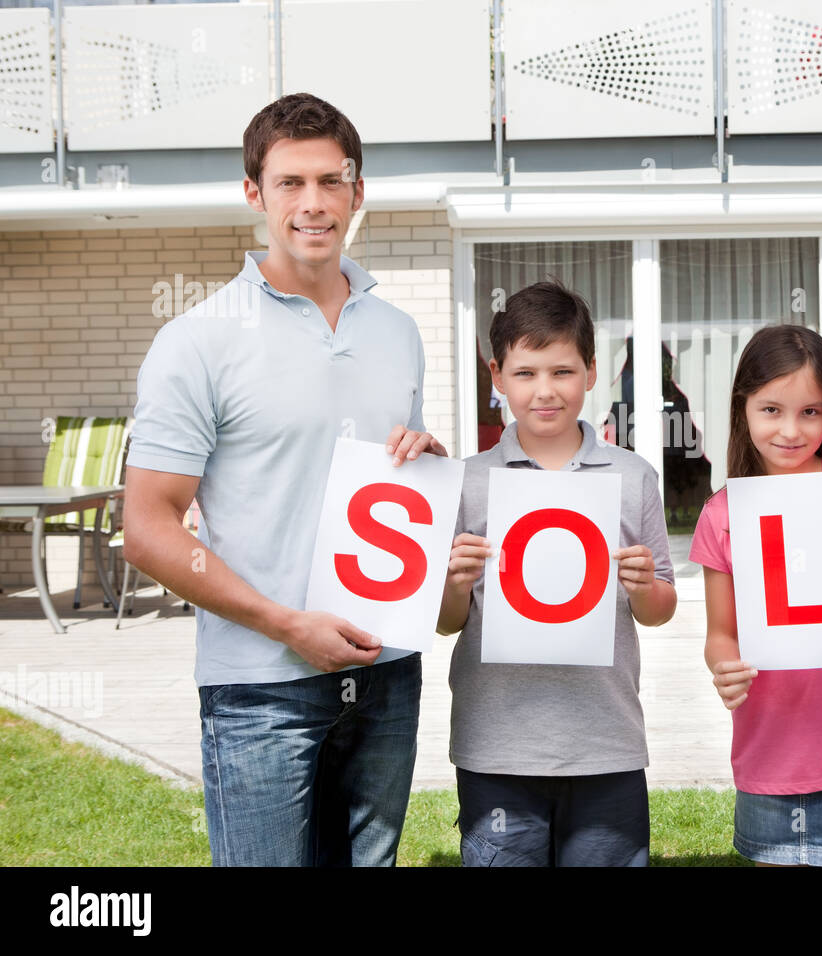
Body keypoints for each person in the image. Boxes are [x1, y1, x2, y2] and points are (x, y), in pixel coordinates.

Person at [123, 93, 445, 866]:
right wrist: (284, 623)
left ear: (358, 191)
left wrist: (425, 466)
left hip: (385, 672)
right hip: (260, 688)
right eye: (290, 183)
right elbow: (149, 527)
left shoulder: (397, 333)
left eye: (332, 182)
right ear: (253, 194)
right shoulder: (197, 340)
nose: (313, 203)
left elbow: (394, 493)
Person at [437, 279, 677, 867]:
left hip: (605, 742)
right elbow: (446, 624)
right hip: (497, 743)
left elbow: (661, 607)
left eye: (563, 372)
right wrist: (454, 582)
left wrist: (645, 587)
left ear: (592, 372)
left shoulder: (632, 476)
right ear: (496, 376)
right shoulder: (466, 481)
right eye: (525, 373)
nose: (545, 391)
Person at [689, 324, 822, 866]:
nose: (791, 429)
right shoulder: (722, 514)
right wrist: (724, 668)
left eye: (810, 411)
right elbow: (721, 635)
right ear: (743, 407)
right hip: (771, 751)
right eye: (771, 410)